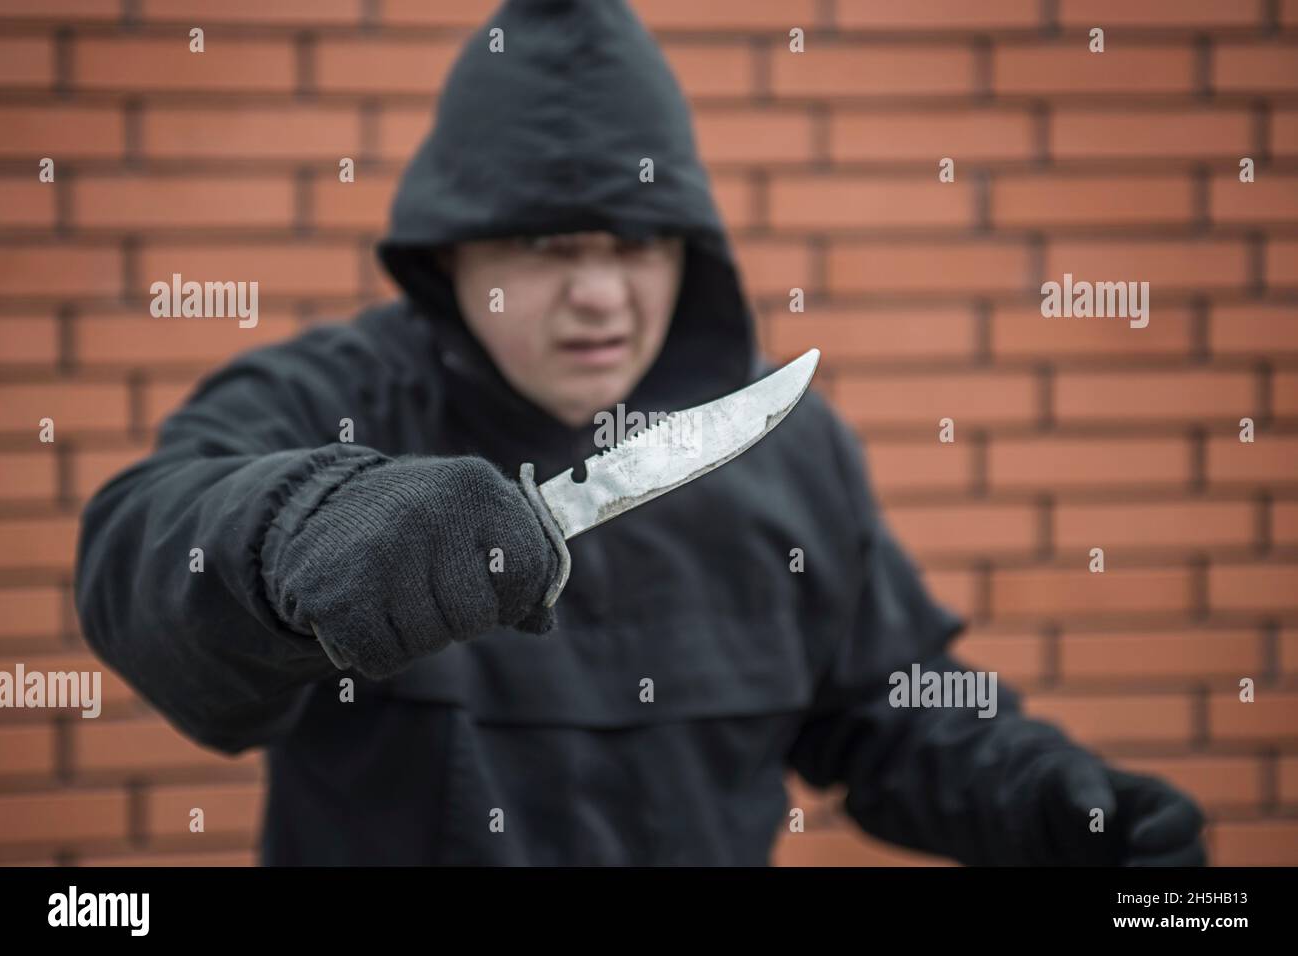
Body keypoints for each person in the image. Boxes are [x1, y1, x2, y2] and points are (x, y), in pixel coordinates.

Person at [74, 0, 1206, 866]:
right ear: (452, 253)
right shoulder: (336, 392)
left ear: (688, 252)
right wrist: (295, 528)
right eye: (547, 249)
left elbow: (885, 710)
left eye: (636, 243)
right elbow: (147, 543)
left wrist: (1059, 803)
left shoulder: (784, 449)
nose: (603, 297)